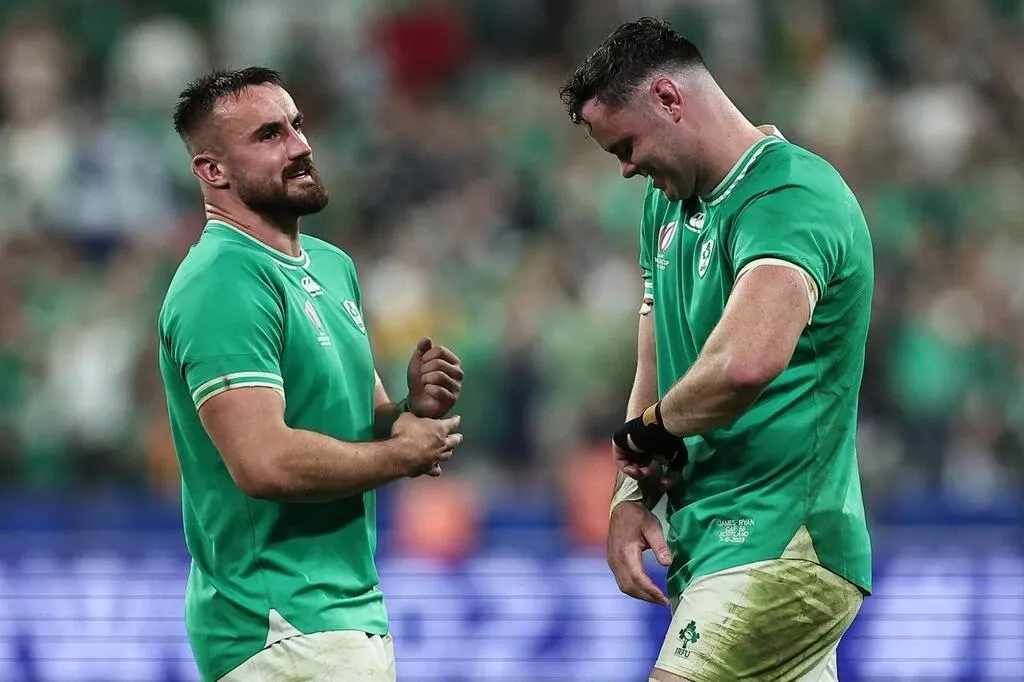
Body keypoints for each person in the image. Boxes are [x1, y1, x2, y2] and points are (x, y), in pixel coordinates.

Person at [559, 18, 874, 682]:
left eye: (626, 144)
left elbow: (745, 363)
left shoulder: (790, 194)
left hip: (780, 537)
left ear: (671, 100)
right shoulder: (662, 209)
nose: (624, 169)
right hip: (712, 539)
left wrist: (644, 436)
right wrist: (628, 497)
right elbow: (655, 366)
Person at [158, 67, 465, 682]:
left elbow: (365, 424)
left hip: (344, 612)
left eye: (296, 125)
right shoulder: (222, 281)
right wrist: (402, 456)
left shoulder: (330, 264)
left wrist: (409, 411)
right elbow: (264, 462)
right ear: (211, 171)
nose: (300, 146)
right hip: (277, 620)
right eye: (269, 135)